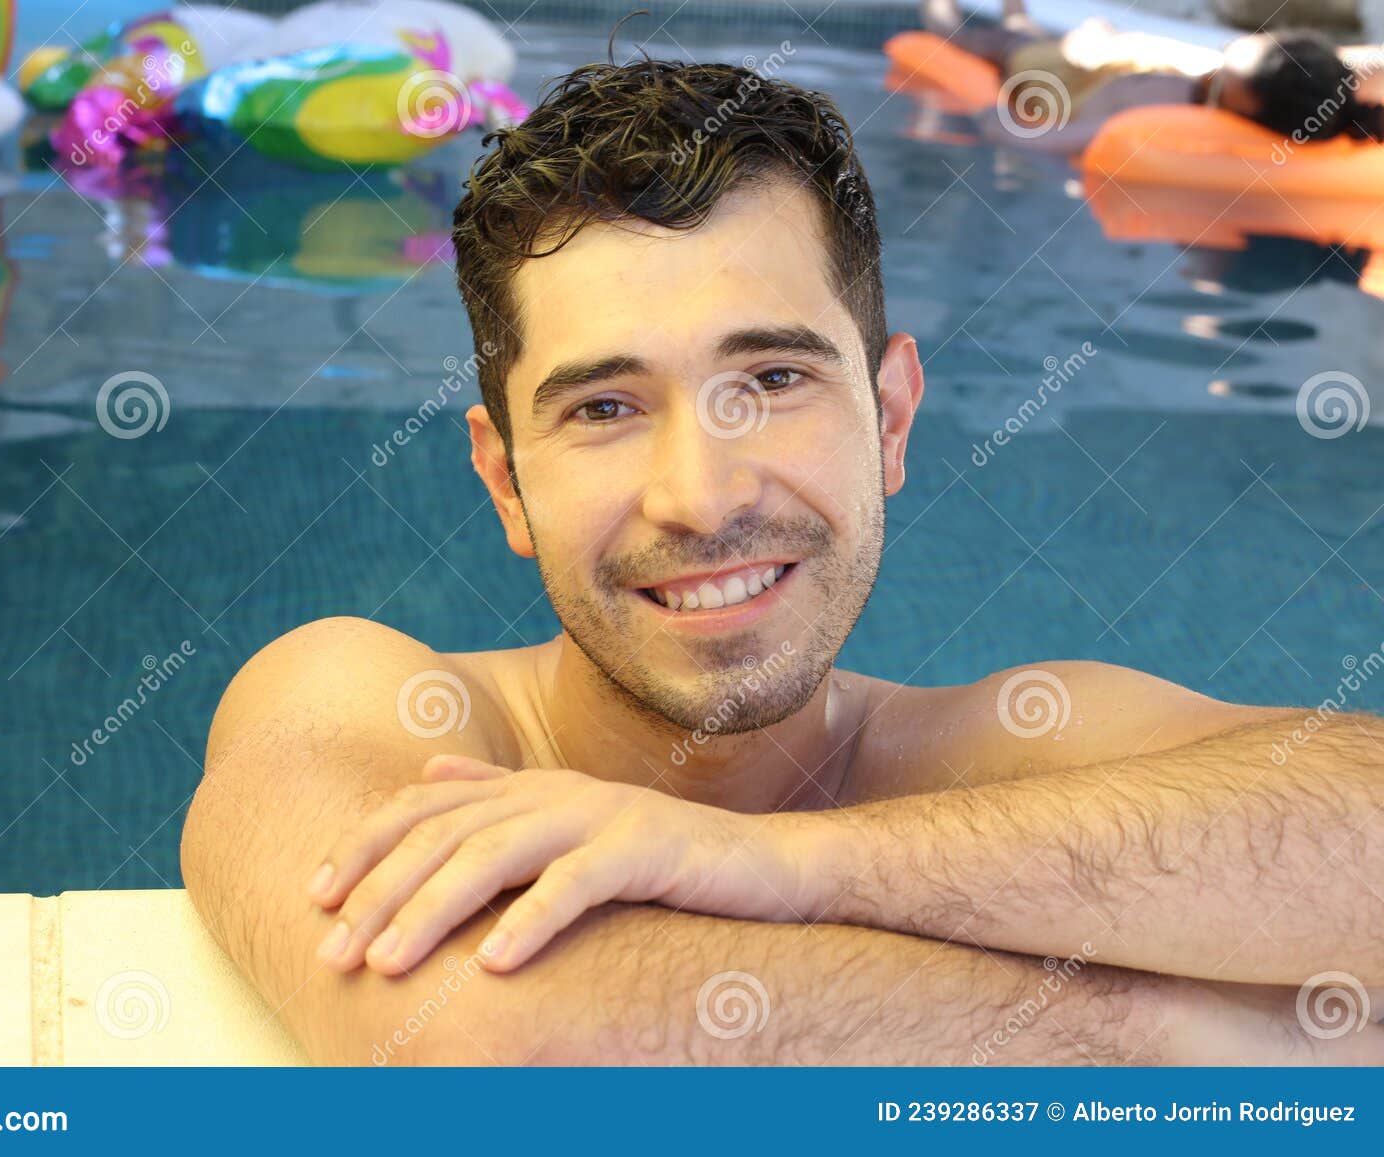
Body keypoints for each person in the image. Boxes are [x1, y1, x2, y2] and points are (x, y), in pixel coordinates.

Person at [179, 55, 1384, 1065]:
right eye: (602, 407)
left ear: (892, 419)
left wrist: (782, 863)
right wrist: (1136, 1018)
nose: (701, 496)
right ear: (504, 479)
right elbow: (480, 1032)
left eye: (771, 379)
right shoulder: (361, 697)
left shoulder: (1001, 746)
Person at [922, 0, 1384, 153]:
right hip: (1098, 61)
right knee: (1022, 32)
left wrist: (988, 121)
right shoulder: (1225, 91)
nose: (1214, 67)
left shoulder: (1159, 123)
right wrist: (1113, 42)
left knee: (974, 35)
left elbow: (1054, 140)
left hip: (1060, 80)